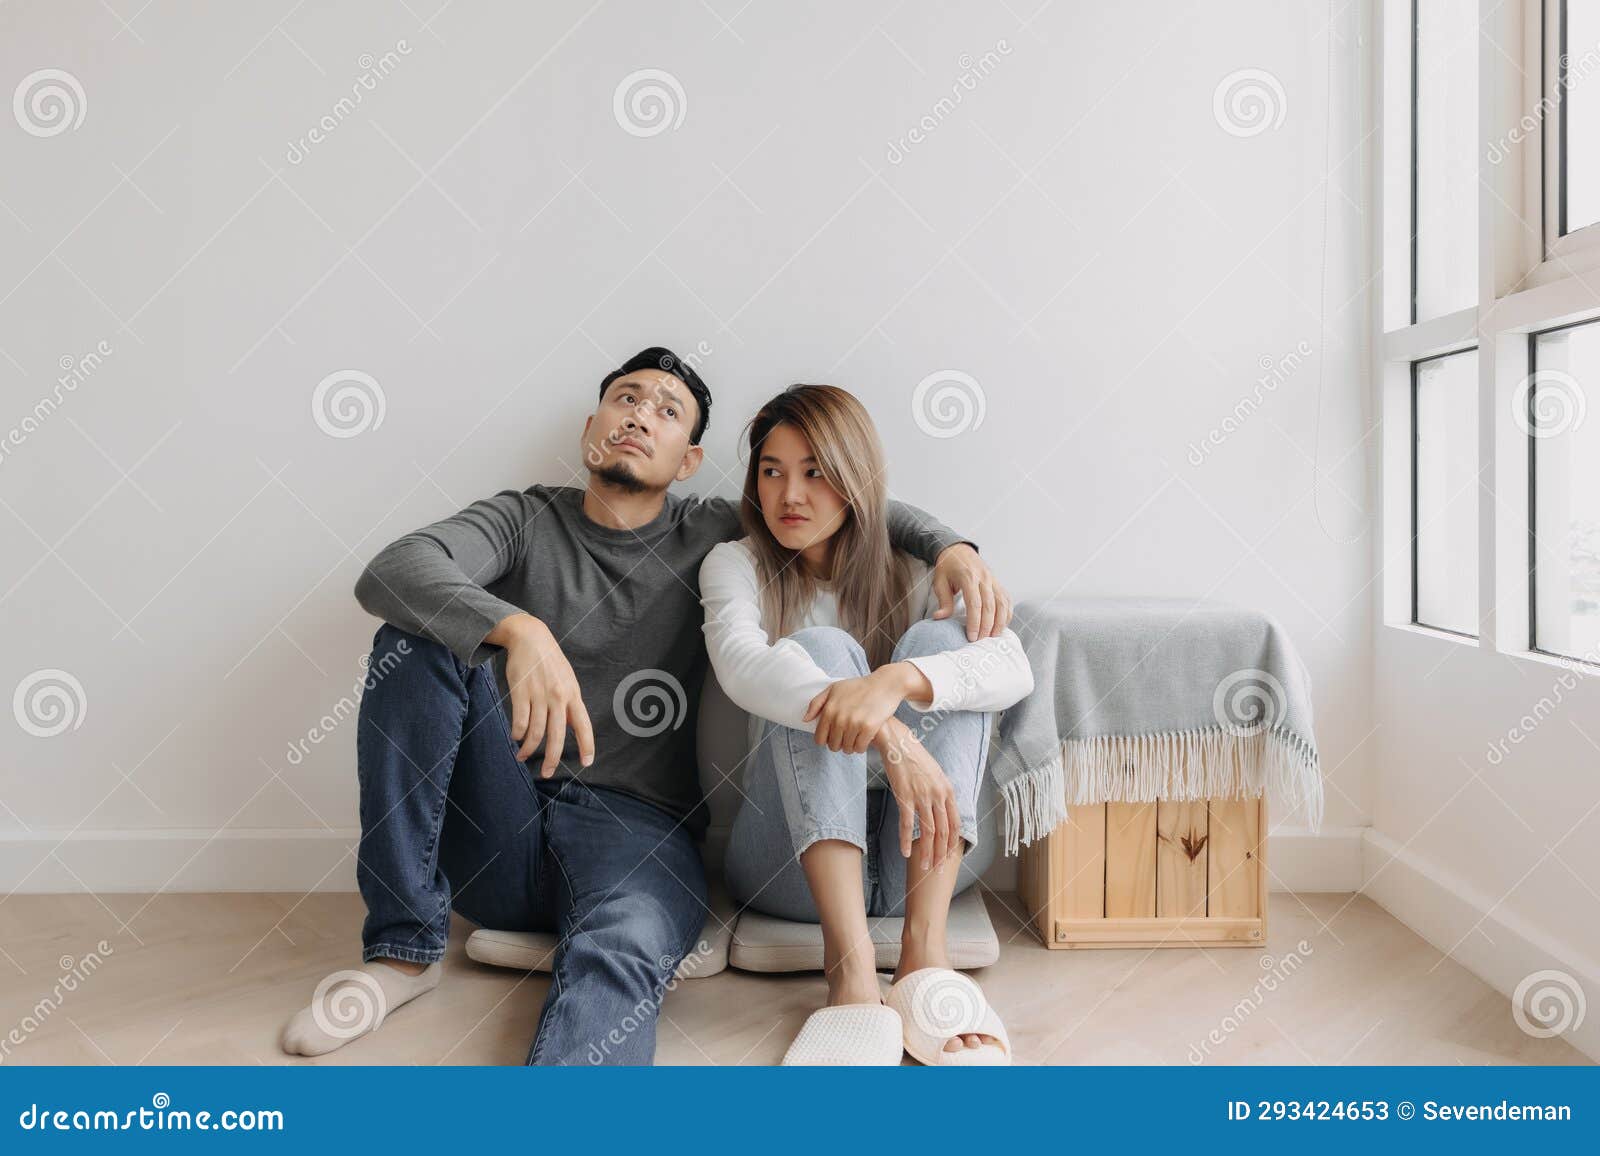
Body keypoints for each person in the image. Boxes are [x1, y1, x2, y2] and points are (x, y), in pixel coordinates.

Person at [277, 348, 1013, 1065]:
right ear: (593, 426)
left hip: (638, 829)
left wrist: (951, 546)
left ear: (687, 460)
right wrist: (519, 630)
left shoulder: (720, 532)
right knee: (414, 643)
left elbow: (843, 500)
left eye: (667, 411)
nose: (640, 416)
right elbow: (394, 571)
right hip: (499, 815)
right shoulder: (523, 519)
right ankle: (403, 952)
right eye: (626, 398)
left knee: (621, 948)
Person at [699, 384, 1034, 1065]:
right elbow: (742, 668)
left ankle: (923, 960)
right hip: (789, 865)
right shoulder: (736, 564)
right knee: (818, 655)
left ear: (854, 479)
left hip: (924, 849)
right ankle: (850, 978)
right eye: (772, 471)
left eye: (815, 472)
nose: (790, 494)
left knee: (941, 649)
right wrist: (889, 730)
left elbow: (1013, 668)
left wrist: (898, 683)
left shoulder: (920, 570)